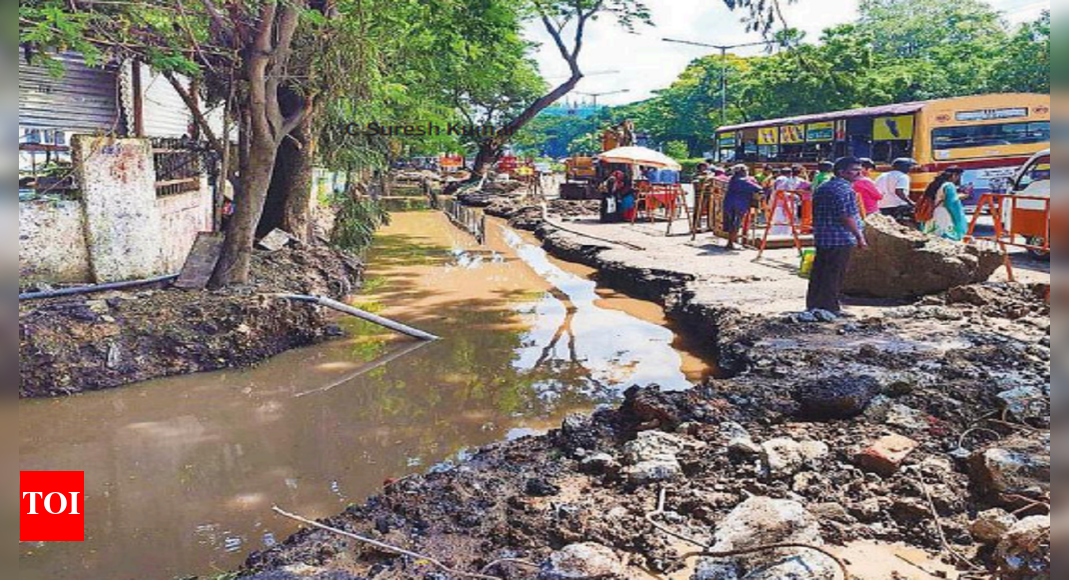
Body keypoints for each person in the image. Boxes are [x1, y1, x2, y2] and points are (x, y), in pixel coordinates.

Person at [807, 157, 868, 314]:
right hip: (839, 237)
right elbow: (846, 216)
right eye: (854, 169)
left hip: (823, 236)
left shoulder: (824, 187)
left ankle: (815, 304)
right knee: (835, 274)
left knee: (820, 272)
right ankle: (830, 307)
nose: (858, 172)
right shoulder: (844, 189)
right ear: (842, 172)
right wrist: (860, 237)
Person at [922, 167, 969, 241]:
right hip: (944, 213)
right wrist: (963, 196)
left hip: (934, 212)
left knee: (933, 235)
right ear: (954, 175)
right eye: (958, 176)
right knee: (945, 237)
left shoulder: (934, 184)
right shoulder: (949, 185)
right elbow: (951, 202)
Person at [723, 164, 762, 250]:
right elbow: (758, 188)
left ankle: (730, 242)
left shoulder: (732, 179)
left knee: (730, 223)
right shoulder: (745, 181)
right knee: (736, 223)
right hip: (740, 204)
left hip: (728, 203)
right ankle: (731, 243)